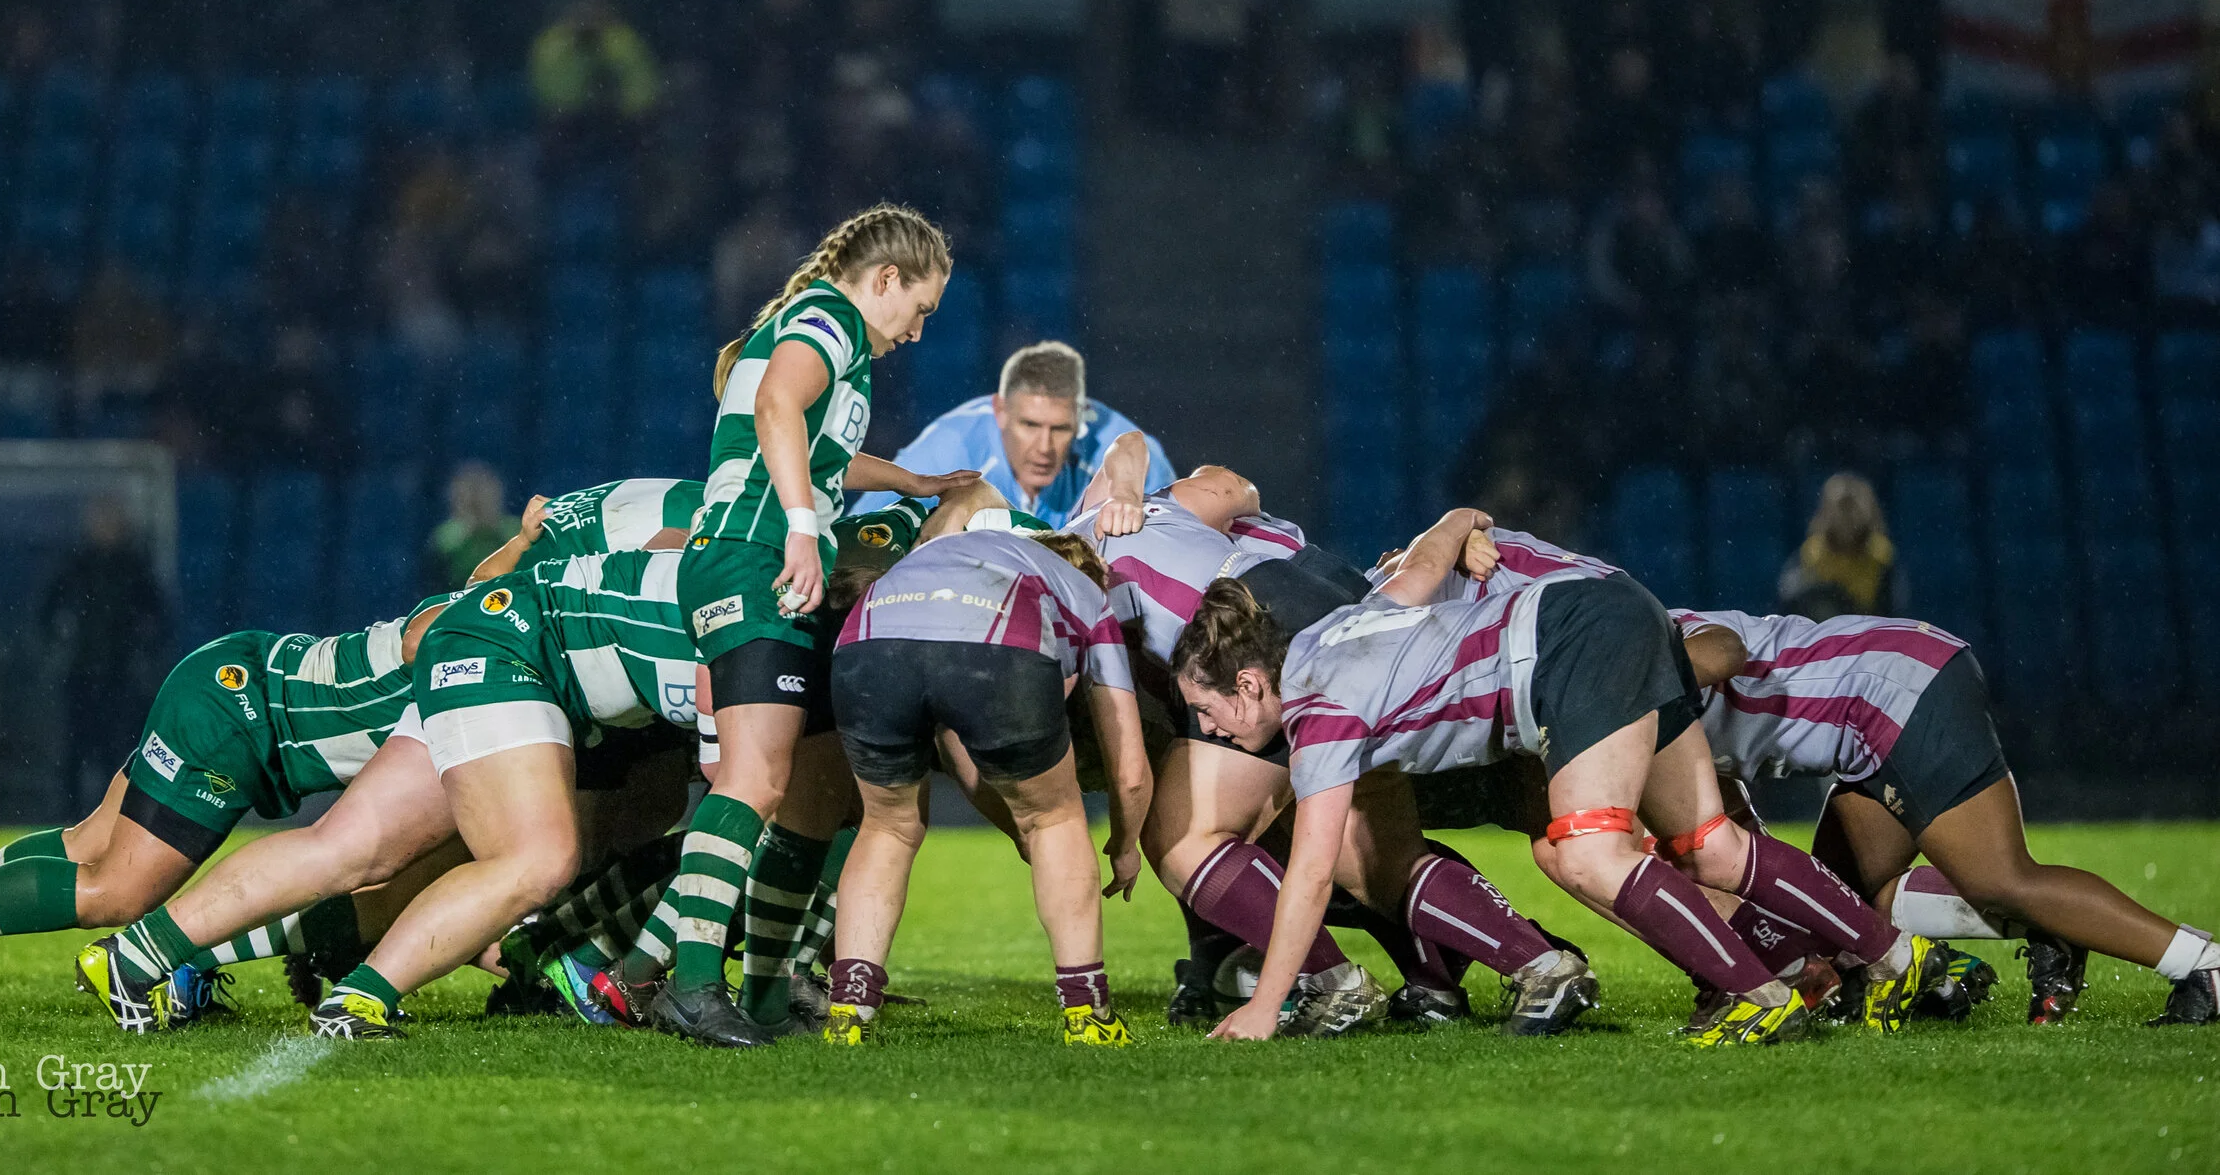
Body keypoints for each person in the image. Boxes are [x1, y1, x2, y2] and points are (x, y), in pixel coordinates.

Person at [1173, 509, 1943, 1046]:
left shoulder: (1317, 714)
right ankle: (1894, 956)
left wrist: (1266, 1006)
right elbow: (1428, 564)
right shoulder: (1336, 629)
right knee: (1708, 842)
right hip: (1621, 610)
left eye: (1207, 710)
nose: (1207, 731)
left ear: (1247, 683)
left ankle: (1759, 997)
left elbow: (1310, 873)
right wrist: (1464, 517)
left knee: (1587, 851)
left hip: (1572, 647)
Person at [72, 478, 706, 1034]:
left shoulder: (700, 513)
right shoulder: (717, 534)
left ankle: (135, 959)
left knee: (358, 851)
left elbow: (487, 594)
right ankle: (384, 990)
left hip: (504, 662)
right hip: (512, 666)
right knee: (534, 859)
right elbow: (476, 597)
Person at [589, 203, 978, 1046]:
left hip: (747, 554)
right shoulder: (828, 319)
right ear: (884, 280)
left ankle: (673, 976)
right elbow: (776, 404)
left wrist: (908, 482)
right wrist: (804, 527)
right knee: (755, 781)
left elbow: (814, 441)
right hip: (751, 556)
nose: (918, 332)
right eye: (920, 309)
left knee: (758, 779)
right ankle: (686, 985)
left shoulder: (827, 332)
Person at [1072, 462, 1586, 1037]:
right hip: (1323, 585)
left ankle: (1334, 985)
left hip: (1254, 634)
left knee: (1181, 836)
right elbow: (1237, 488)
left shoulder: (1058, 584)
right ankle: (1531, 963)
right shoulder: (1149, 508)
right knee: (1367, 854)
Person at [0, 587, 438, 1024]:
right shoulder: (498, 639)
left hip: (237, 684)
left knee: (87, 847)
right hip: (238, 715)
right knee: (119, 891)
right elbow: (423, 638)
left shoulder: (508, 615)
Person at [1676, 606, 2220, 1027]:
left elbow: (1724, 650)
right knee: (1837, 906)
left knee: (2002, 881)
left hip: (1892, 694)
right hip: (1877, 704)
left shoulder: (1638, 664)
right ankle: (2039, 934)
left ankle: (2203, 964)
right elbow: (1724, 821)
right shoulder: (1627, 674)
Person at [822, 525, 1148, 1046]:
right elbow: (1128, 770)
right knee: (1056, 820)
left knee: (888, 827)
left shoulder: (959, 555)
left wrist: (1014, 824)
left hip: (866, 641)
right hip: (996, 649)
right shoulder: (1086, 594)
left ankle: (848, 1012)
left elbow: (959, 751)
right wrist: (1125, 845)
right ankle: (1088, 1015)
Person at [857, 340, 1175, 527]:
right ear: (1000, 411)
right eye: (1030, 425)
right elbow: (856, 531)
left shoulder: (1130, 453)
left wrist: (1126, 495)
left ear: (1080, 418)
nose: (1044, 448)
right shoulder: (946, 449)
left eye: (1061, 428)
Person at [41, 494, 170, 808]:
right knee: (75, 746)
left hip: (120, 673)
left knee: (117, 749)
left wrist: (144, 651)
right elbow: (47, 609)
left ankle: (114, 813)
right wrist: (57, 644)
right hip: (81, 670)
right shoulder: (77, 563)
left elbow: (160, 617)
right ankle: (68, 814)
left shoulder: (134, 567)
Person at [1778, 472, 1906, 622]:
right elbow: (1789, 602)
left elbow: (1892, 613)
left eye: (1852, 507)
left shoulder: (1880, 555)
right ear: (1826, 510)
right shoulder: (1813, 552)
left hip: (1865, 636)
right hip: (1821, 636)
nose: (1846, 516)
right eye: (1840, 507)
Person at [425, 462, 519, 595]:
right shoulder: (445, 540)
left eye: (483, 492)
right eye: (469, 494)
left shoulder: (516, 532)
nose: (477, 500)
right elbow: (434, 589)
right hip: (458, 607)